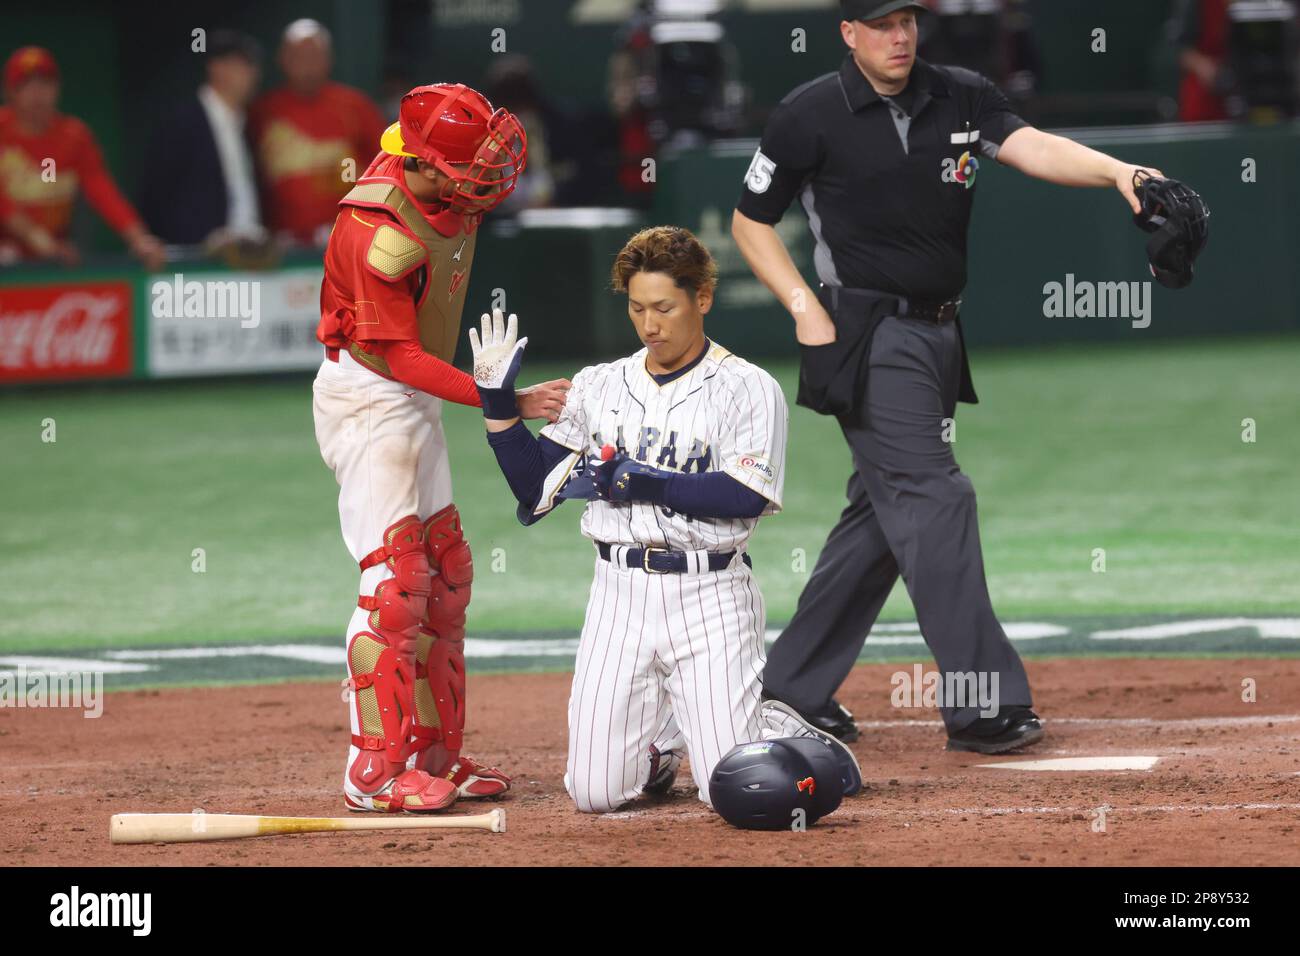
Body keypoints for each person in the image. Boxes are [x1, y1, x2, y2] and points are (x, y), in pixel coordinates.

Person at [731, 0, 1165, 753]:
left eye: (908, 20)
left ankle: (786, 691)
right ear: (848, 32)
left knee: (883, 519)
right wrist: (802, 303)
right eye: (882, 23)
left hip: (936, 334)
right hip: (865, 333)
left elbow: (1031, 147)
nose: (900, 37)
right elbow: (749, 219)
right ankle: (981, 702)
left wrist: (1117, 170)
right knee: (937, 497)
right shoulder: (809, 113)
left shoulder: (959, 92)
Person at [467, 225, 860, 812]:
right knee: (595, 794)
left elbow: (745, 495)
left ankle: (768, 721)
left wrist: (650, 482)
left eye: (664, 307)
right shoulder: (600, 385)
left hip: (710, 594)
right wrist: (498, 408)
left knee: (729, 787)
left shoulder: (748, 388)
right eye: (636, 308)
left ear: (702, 298)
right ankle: (663, 746)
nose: (650, 324)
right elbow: (532, 484)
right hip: (617, 596)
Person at [311, 83, 570, 813]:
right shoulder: (375, 233)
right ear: (421, 165)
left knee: (446, 573)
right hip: (369, 397)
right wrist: (502, 402)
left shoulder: (439, 190)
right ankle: (373, 773)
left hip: (406, 397)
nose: (487, 177)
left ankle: (432, 755)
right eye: (471, 166)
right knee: (394, 581)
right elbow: (398, 358)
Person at [0, 46, 163, 268]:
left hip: (55, 256)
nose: (37, 94)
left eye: (45, 83)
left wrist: (139, 238)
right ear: (9, 92)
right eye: (25, 85)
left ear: (57, 88)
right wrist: (36, 238)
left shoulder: (73, 135)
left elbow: (101, 189)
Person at [249, 19, 388, 245]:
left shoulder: (355, 106)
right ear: (283, 59)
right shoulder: (264, 112)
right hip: (281, 242)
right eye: (298, 57)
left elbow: (386, 171)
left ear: (329, 60)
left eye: (315, 57)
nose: (307, 66)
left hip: (347, 237)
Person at [139, 31, 263, 247]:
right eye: (242, 65)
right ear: (217, 67)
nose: (252, 74)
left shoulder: (247, 125)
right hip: (198, 265)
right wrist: (195, 243)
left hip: (248, 257)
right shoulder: (182, 122)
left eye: (252, 66)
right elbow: (155, 198)